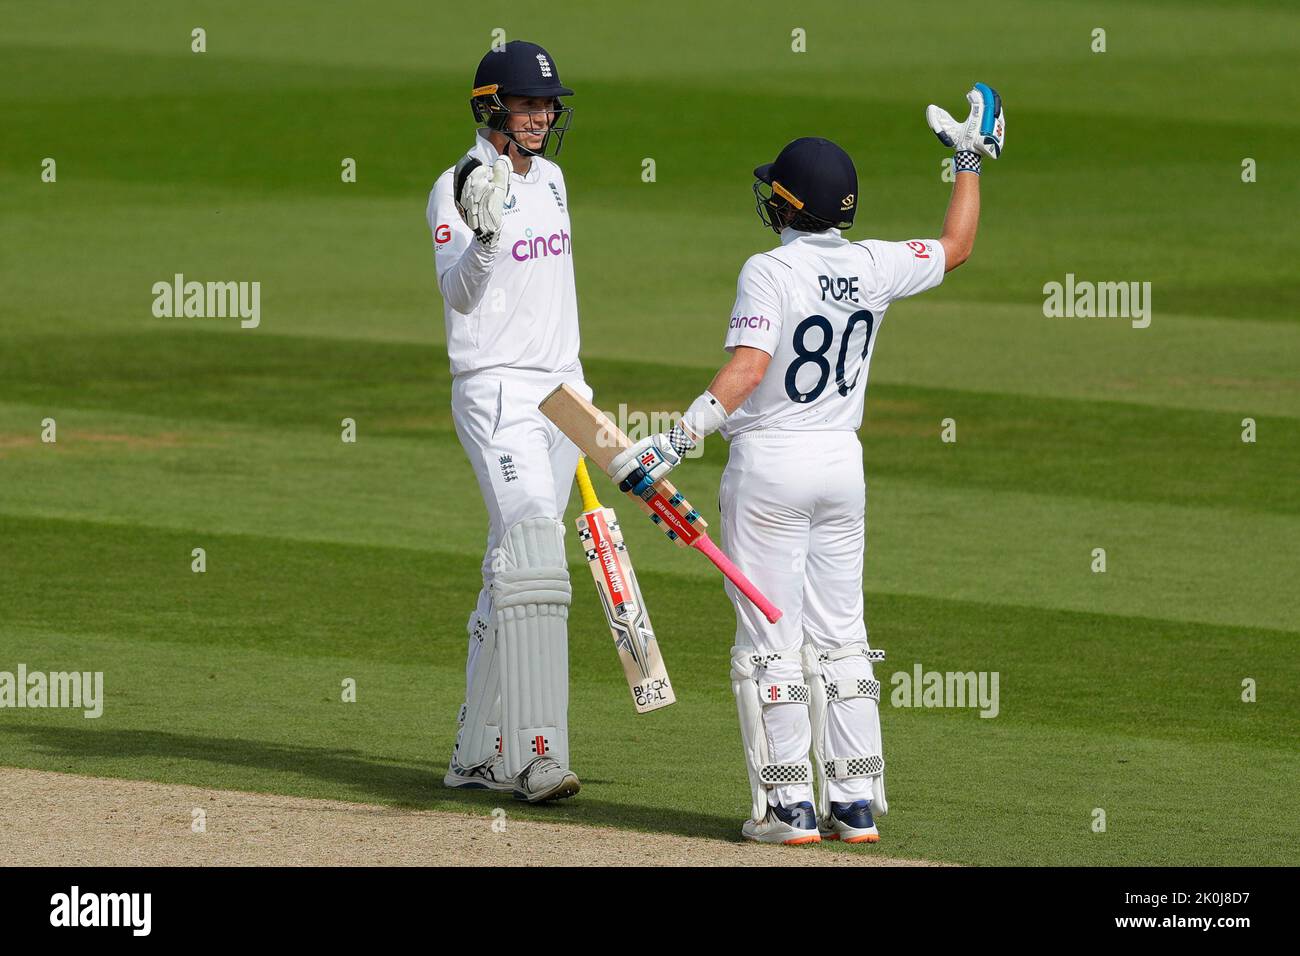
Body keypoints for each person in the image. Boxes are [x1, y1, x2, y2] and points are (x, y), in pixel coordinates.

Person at [606, 85, 1005, 842]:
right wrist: (965, 158)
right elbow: (957, 248)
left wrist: (673, 441)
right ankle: (855, 803)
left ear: (785, 205)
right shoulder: (873, 265)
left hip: (770, 469)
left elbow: (749, 370)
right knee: (843, 636)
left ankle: (788, 807)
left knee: (771, 642)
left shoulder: (770, 271)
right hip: (841, 467)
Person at [426, 40, 590, 803]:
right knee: (533, 554)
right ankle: (536, 755)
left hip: (562, 392)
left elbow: (557, 304)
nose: (542, 116)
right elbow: (460, 296)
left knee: (513, 567)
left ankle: (472, 752)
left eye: (547, 105)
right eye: (528, 104)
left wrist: (595, 424)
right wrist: (485, 240)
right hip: (494, 391)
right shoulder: (454, 184)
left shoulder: (553, 180)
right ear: (492, 105)